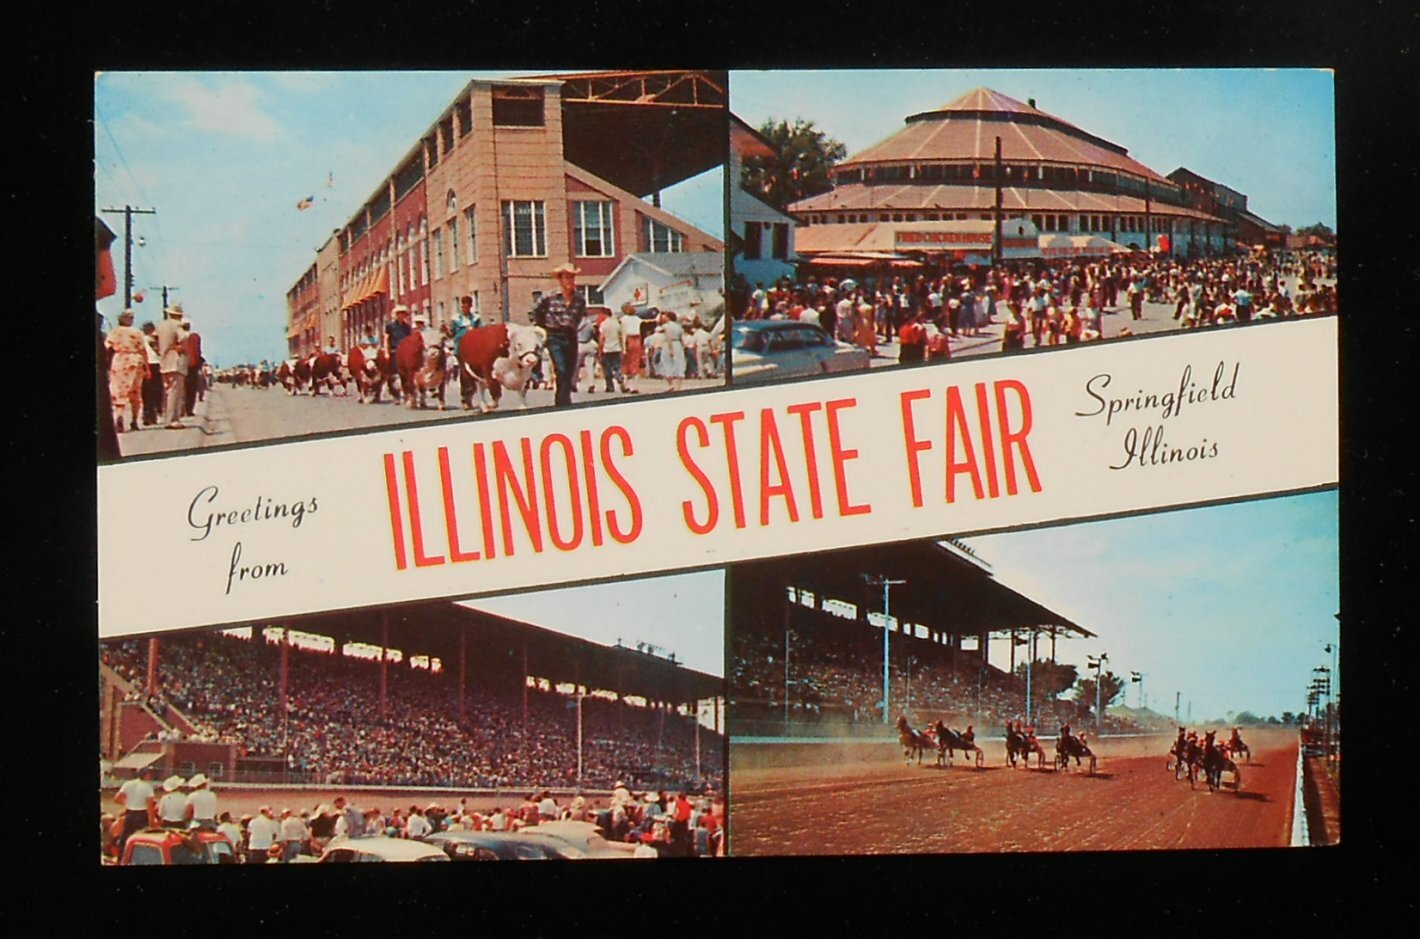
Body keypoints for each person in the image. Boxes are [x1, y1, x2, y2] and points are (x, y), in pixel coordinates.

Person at [532, 262, 587, 407]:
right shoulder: (549, 297)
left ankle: (564, 399)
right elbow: (536, 311)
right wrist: (541, 327)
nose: (570, 281)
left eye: (572, 278)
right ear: (561, 279)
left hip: (570, 335)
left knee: (569, 370)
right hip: (554, 335)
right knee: (560, 368)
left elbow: (579, 316)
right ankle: (561, 402)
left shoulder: (580, 299)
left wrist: (573, 327)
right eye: (567, 278)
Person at [105, 310, 147, 435]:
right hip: (134, 360)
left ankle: (119, 416)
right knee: (135, 391)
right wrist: (147, 366)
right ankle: (134, 420)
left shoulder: (114, 332)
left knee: (119, 390)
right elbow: (142, 349)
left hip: (119, 360)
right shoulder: (137, 332)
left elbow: (107, 346)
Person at [154, 305, 189, 429]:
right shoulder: (177, 325)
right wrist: (181, 347)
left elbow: (153, 340)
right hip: (175, 360)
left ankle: (166, 418)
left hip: (164, 360)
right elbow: (184, 337)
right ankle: (173, 419)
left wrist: (161, 349)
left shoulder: (160, 325)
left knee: (167, 391)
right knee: (176, 391)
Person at [115, 767, 157, 850]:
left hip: (129, 813)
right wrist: (151, 821)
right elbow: (150, 806)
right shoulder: (148, 787)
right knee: (141, 838)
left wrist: (128, 804)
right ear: (146, 775)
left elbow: (117, 799)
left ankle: (122, 856)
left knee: (126, 836)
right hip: (141, 815)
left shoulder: (128, 784)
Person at [599, 305, 628, 393]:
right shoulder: (616, 323)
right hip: (616, 348)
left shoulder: (603, 324)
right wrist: (623, 349)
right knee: (617, 366)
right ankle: (620, 379)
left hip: (607, 349)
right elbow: (620, 337)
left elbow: (602, 338)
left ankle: (610, 386)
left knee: (607, 368)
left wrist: (600, 350)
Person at [659, 311, 686, 392]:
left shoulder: (665, 326)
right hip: (678, 344)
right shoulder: (679, 326)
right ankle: (679, 386)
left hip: (668, 344)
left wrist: (670, 349)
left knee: (667, 363)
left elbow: (668, 337)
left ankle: (670, 384)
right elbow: (681, 338)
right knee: (679, 363)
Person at [182, 319, 204, 417]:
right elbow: (197, 351)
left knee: (181, 388)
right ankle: (188, 409)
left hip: (181, 364)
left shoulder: (178, 336)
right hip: (192, 364)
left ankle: (182, 409)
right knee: (191, 388)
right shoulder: (194, 337)